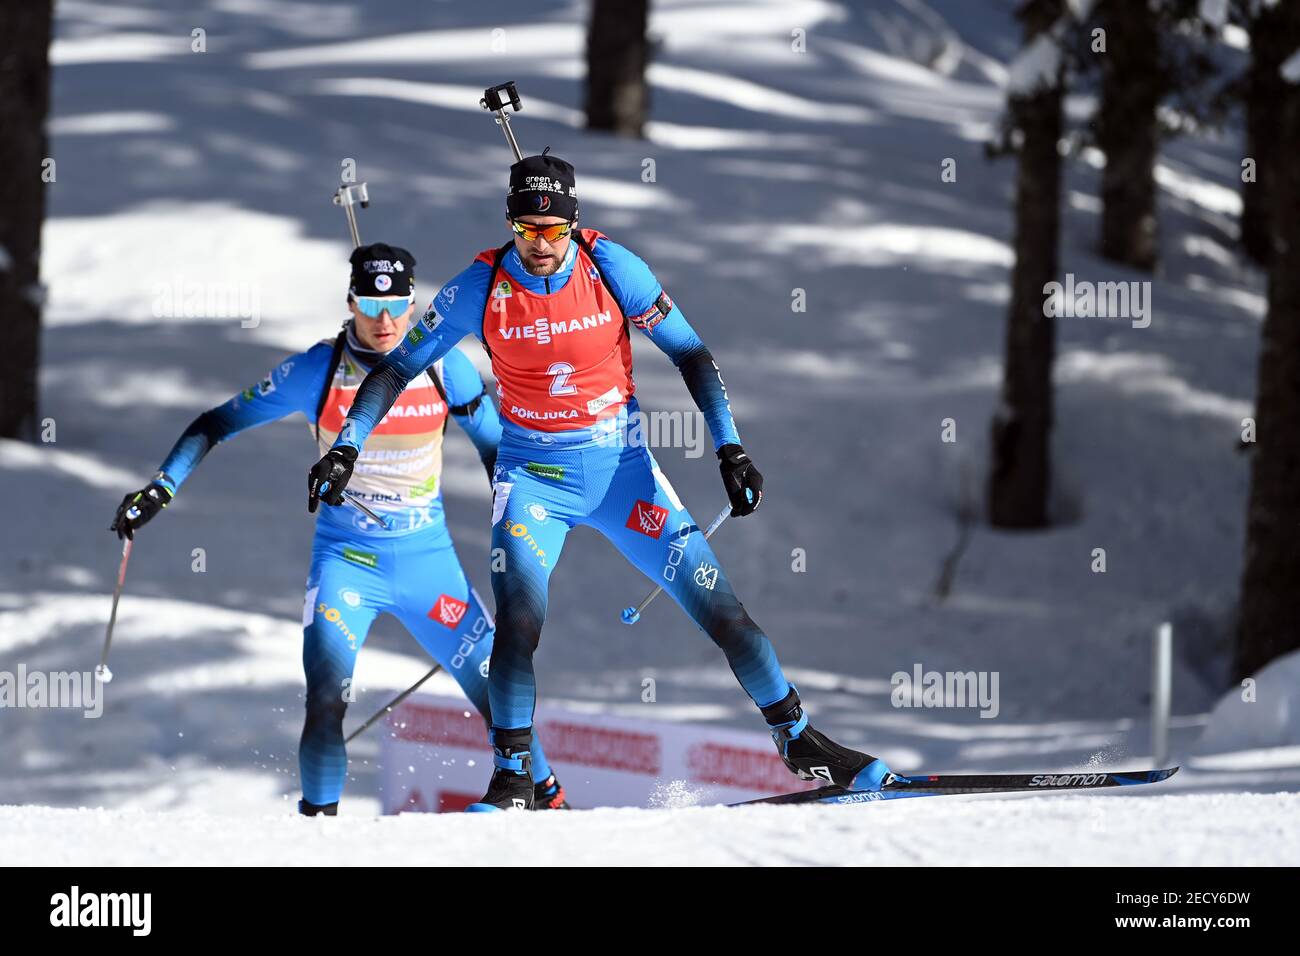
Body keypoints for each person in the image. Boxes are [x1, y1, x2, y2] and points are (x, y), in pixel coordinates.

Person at [308, 154, 892, 810]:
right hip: (534, 482)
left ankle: (798, 739)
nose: (538, 246)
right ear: (510, 226)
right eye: (525, 231)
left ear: (574, 225)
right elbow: (395, 369)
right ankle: (513, 777)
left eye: (552, 233)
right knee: (519, 626)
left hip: (624, 474)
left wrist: (729, 448)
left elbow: (692, 354)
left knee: (725, 615)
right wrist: (346, 450)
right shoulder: (481, 285)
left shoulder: (612, 267)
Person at [112, 242, 569, 813]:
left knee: (497, 695)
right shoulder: (317, 371)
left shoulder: (444, 365)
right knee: (327, 700)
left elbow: (495, 451)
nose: (384, 322)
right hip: (345, 563)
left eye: (398, 305)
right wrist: (161, 488)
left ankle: (551, 804)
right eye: (371, 306)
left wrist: (520, 531)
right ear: (350, 302)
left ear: (413, 304)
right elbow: (217, 422)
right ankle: (318, 836)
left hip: (429, 564)